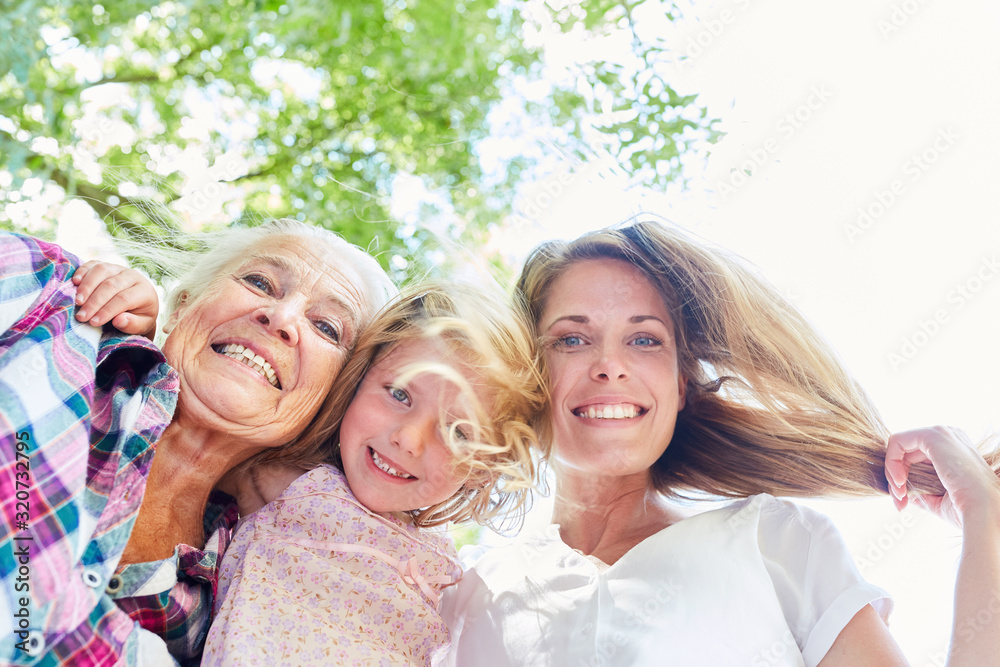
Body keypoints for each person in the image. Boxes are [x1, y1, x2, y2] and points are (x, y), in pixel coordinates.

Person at [440, 219, 1000, 666]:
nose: (609, 364)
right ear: (529, 374)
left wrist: (985, 518)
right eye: (571, 339)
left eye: (644, 339)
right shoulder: (462, 594)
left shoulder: (775, 541)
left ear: (680, 386)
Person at [0, 219, 396, 665]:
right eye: (259, 282)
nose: (281, 318)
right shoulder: (50, 297)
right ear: (182, 305)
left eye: (327, 327)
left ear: (332, 406)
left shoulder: (237, 616)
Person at [199, 282, 545, 665]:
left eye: (458, 432)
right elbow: (175, 457)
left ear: (484, 469)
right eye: (399, 394)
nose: (409, 440)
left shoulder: (452, 580)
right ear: (358, 377)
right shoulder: (293, 482)